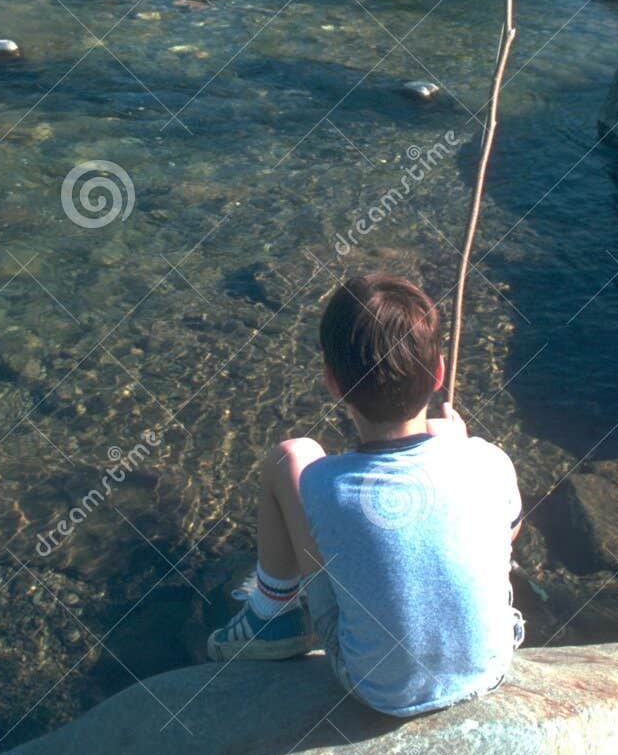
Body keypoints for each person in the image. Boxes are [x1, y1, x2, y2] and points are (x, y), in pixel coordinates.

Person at [207, 272, 524, 716]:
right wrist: (457, 447)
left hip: (382, 690)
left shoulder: (320, 483)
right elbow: (505, 534)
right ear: (438, 373)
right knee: (435, 442)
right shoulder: (489, 461)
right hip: (489, 668)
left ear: (332, 382)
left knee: (290, 455)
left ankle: (271, 616)